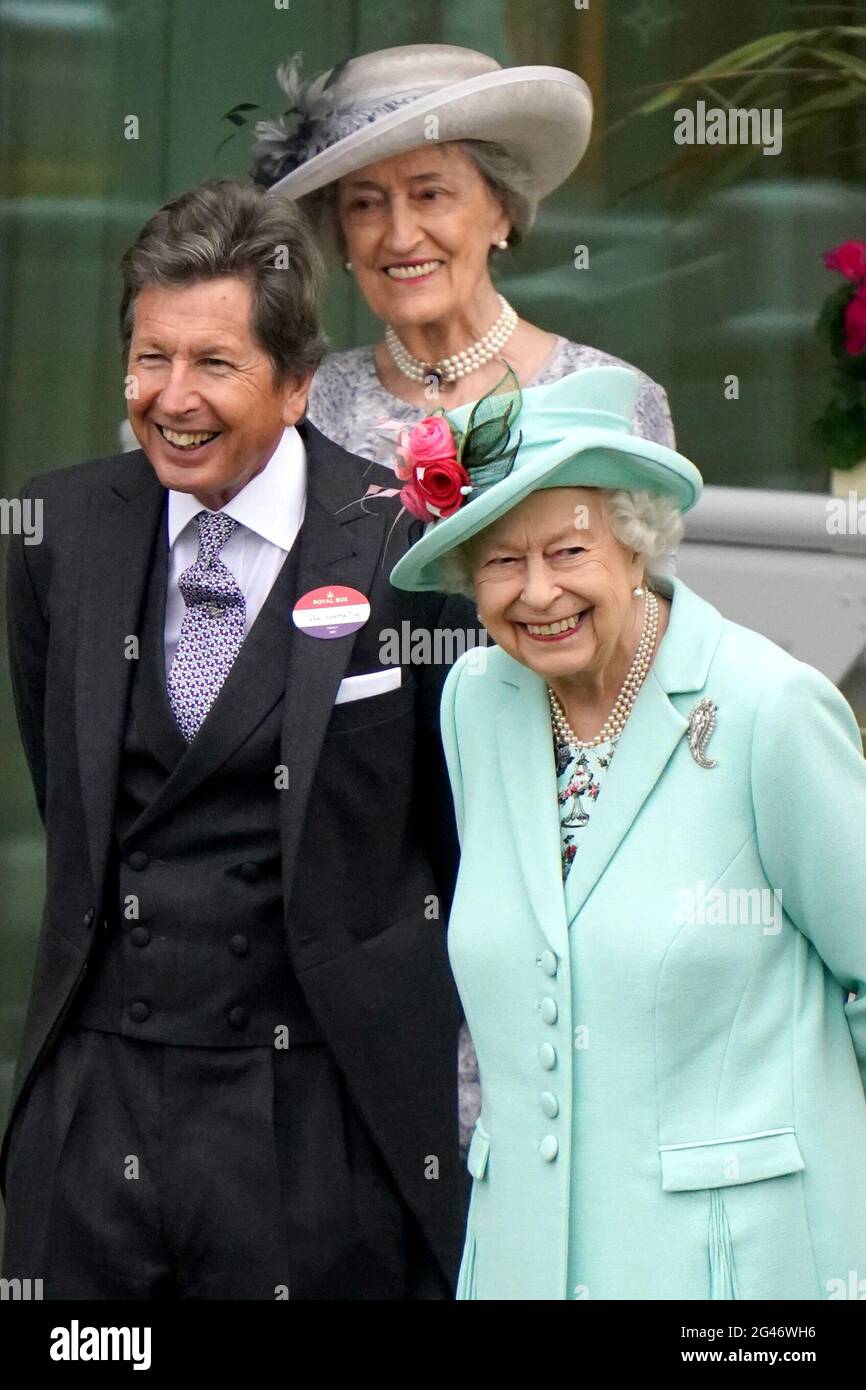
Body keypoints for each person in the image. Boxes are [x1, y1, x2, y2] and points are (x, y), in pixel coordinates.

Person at [1, 177, 474, 1299]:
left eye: (214, 363)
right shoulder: (56, 531)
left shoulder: (405, 550)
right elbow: (64, 789)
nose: (172, 398)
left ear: (299, 378)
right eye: (150, 358)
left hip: (317, 1122)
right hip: (95, 1107)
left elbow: (452, 846)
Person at [253, 42, 677, 1145]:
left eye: (431, 193)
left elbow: (655, 689)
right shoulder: (304, 412)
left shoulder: (604, 402)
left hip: (555, 888)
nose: (399, 236)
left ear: (500, 210)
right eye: (364, 204)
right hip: (351, 916)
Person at [389, 363, 866, 1300]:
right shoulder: (475, 707)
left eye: (568, 552)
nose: (536, 593)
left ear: (637, 540)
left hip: (737, 1284)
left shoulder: (767, 711)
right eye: (500, 560)